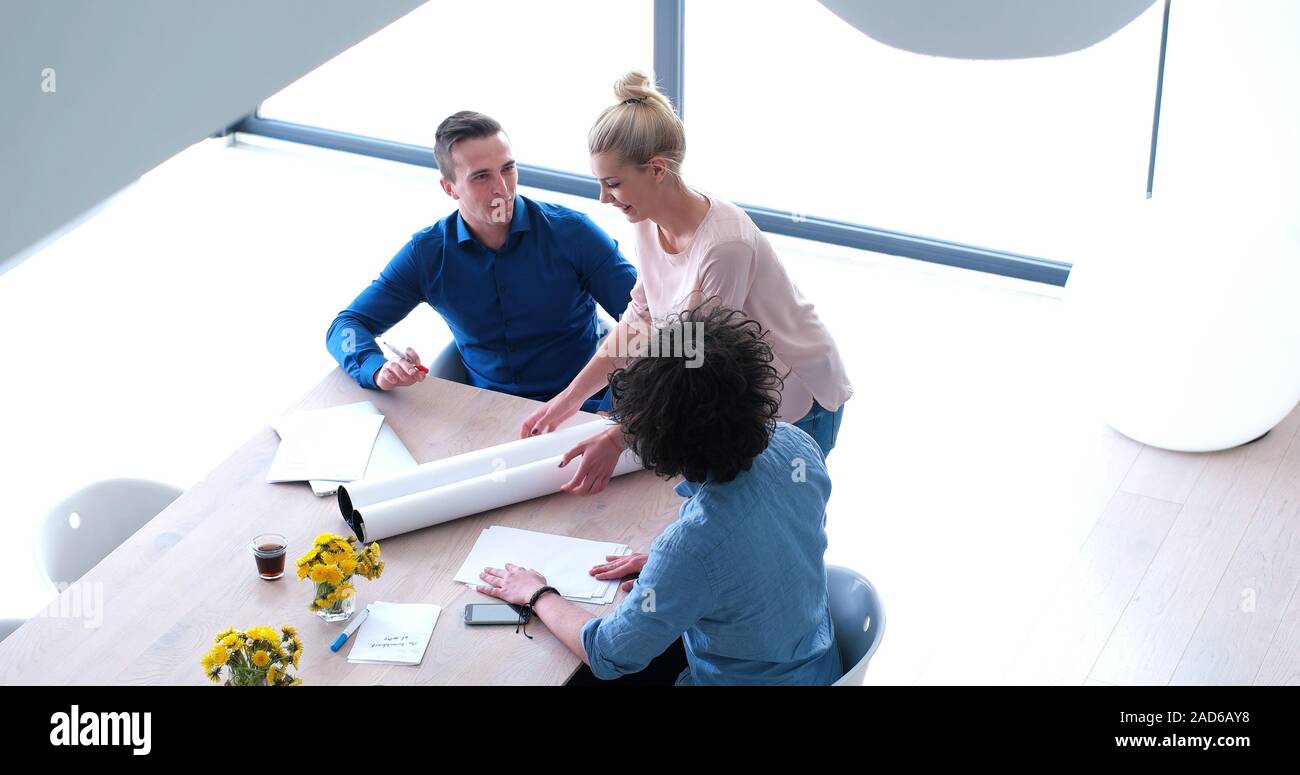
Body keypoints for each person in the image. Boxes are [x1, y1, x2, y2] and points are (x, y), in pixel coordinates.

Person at [520, 72, 851, 492]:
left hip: (798, 397)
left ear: (657, 169)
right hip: (730, 387)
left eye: (613, 183)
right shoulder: (645, 221)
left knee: (779, 518)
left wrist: (620, 435)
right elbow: (639, 323)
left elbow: (699, 362)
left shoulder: (724, 246)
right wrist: (569, 399)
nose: (604, 197)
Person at [477, 304, 843, 685]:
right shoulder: (797, 446)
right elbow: (774, 539)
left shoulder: (693, 546)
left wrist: (537, 593)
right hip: (818, 666)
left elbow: (606, 654)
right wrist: (683, 576)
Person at [326, 111, 636, 412]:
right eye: (481, 176)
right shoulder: (428, 253)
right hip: (486, 414)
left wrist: (613, 409)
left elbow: (656, 324)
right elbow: (347, 326)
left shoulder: (574, 234)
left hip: (583, 409)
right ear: (450, 188)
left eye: (508, 168)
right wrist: (377, 367)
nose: (502, 188)